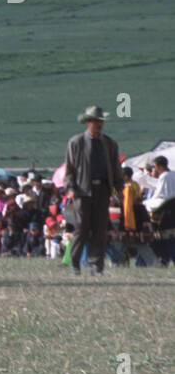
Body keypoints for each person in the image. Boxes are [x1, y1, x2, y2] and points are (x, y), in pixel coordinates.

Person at [63, 105, 124, 277]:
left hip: (103, 190)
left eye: (101, 121)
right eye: (96, 121)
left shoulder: (110, 143)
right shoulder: (76, 142)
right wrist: (71, 188)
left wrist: (119, 187)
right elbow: (70, 169)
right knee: (81, 229)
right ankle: (75, 263)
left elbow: (115, 167)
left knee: (100, 229)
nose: (99, 124)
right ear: (88, 122)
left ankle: (96, 266)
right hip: (82, 191)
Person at [145, 156, 175, 262]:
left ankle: (165, 259)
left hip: (167, 209)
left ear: (158, 166)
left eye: (154, 166)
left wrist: (147, 204)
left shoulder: (164, 176)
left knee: (165, 237)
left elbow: (160, 195)